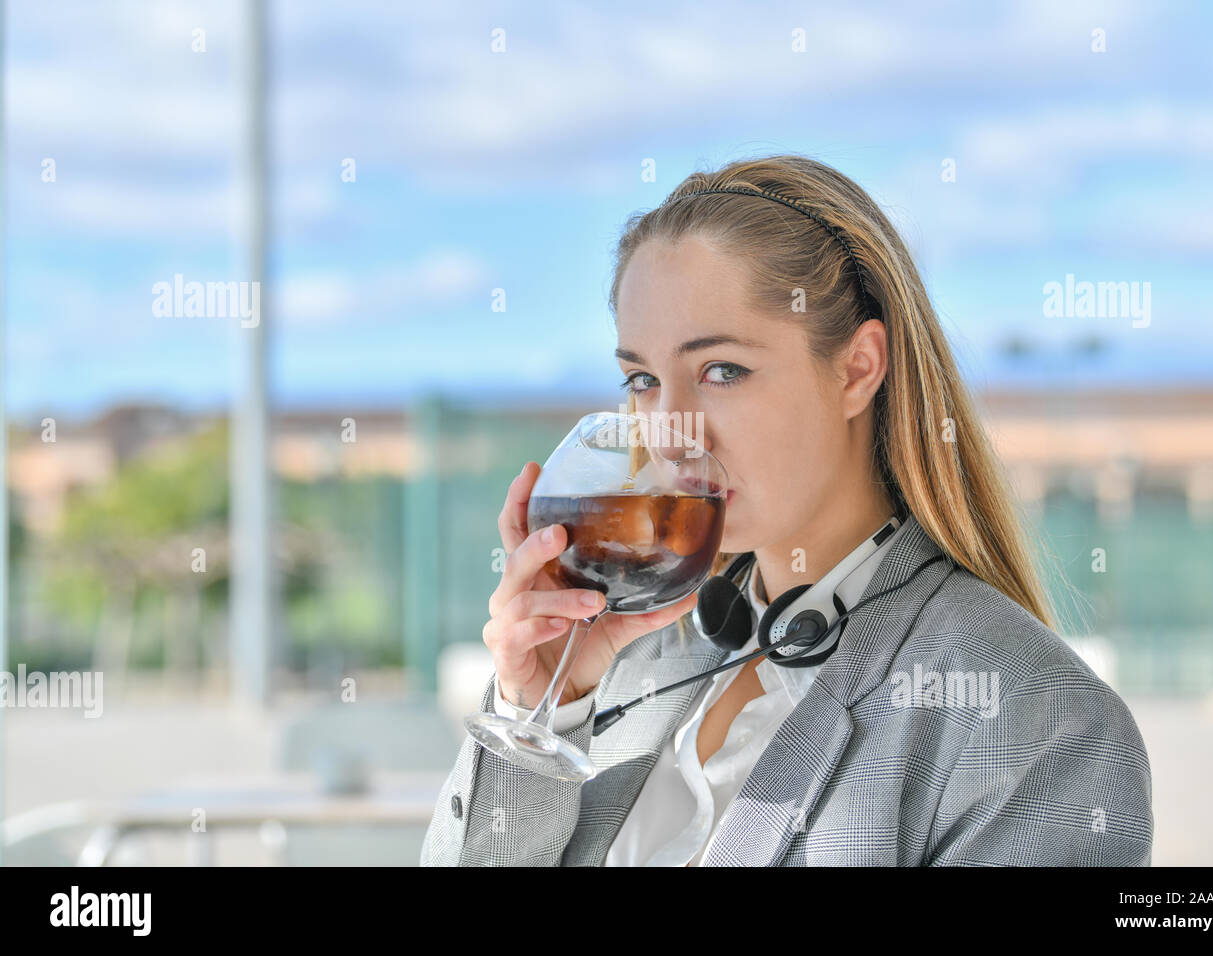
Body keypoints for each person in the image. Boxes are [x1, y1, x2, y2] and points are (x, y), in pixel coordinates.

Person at [421, 154, 1154, 866]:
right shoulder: (630, 660)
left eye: (721, 371)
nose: (672, 437)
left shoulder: (1038, 719)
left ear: (857, 369)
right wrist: (542, 704)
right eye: (643, 379)